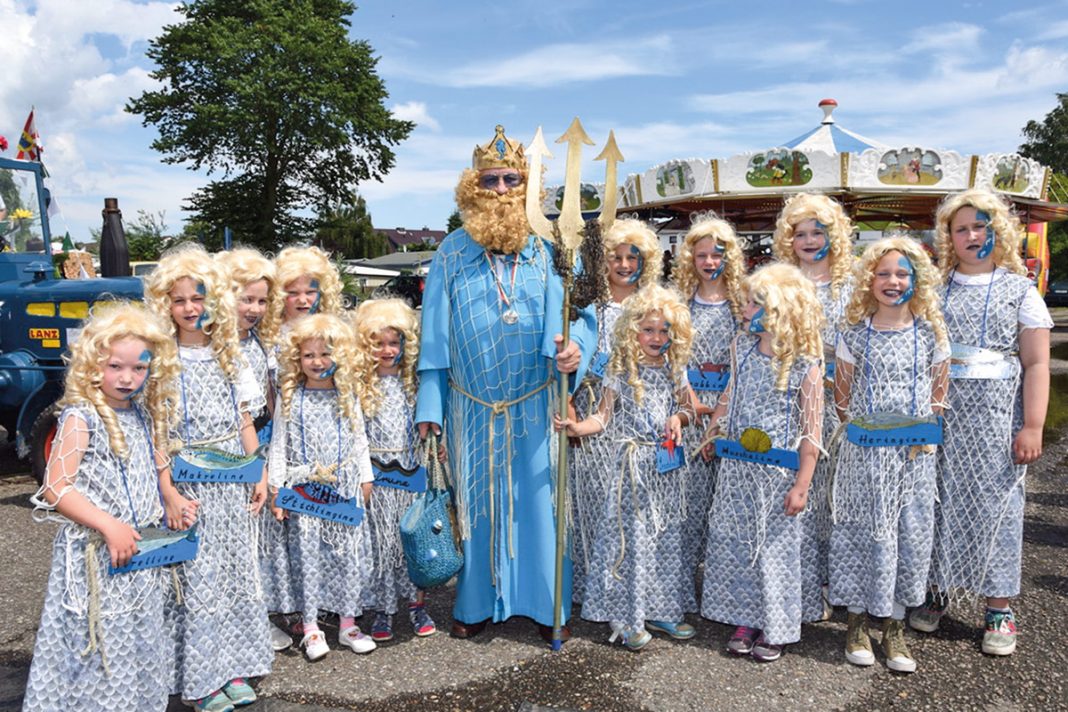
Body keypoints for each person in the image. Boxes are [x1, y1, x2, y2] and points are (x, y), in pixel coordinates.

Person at [415, 125, 595, 643]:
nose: (499, 189)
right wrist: (431, 400)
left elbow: (583, 315)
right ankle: (475, 603)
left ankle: (546, 603)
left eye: (510, 179)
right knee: (475, 506)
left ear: (527, 184)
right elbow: (433, 335)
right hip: (470, 406)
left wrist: (576, 346)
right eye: (489, 179)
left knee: (541, 505)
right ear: (474, 185)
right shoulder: (451, 250)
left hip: (538, 401)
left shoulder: (555, 247)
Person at [22, 304, 192, 712]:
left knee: (139, 640)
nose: (128, 378)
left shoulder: (142, 412)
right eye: (116, 366)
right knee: (101, 645)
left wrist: (170, 497)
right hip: (97, 555)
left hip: (139, 553)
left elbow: (154, 468)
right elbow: (56, 488)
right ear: (93, 363)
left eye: (139, 368)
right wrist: (108, 525)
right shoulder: (81, 417)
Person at [910, 189, 1052, 657]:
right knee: (938, 499)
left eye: (982, 227)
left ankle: (998, 606)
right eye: (962, 228)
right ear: (949, 236)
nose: (973, 236)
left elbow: (1035, 364)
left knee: (997, 506)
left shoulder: (1019, 290)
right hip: (942, 413)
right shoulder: (934, 287)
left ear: (999, 231)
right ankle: (937, 588)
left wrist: (1032, 425)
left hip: (995, 417)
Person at [146, 244, 272, 712]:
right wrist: (168, 491)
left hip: (231, 485)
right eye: (179, 300)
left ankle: (234, 666)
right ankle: (200, 680)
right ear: (166, 304)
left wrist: (257, 469)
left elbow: (244, 422)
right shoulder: (161, 359)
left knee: (236, 576)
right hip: (190, 485)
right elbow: (156, 430)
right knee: (196, 581)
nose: (190, 308)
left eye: (198, 298)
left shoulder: (228, 355)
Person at [829, 238, 949, 673]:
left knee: (908, 534)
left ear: (916, 279)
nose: (892, 282)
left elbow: (938, 395)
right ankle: (857, 621)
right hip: (864, 458)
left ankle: (894, 624)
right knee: (863, 532)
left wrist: (921, 435)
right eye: (883, 274)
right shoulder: (854, 334)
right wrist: (864, 433)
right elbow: (842, 398)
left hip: (913, 459)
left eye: (902, 274)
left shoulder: (931, 332)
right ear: (869, 280)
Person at [555, 284, 697, 650]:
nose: (657, 337)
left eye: (664, 330)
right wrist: (577, 427)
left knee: (665, 539)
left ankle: (660, 608)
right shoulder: (620, 369)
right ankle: (625, 617)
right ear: (632, 331)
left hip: (665, 469)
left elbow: (689, 408)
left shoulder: (675, 369)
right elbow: (602, 417)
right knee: (629, 543)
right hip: (631, 470)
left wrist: (679, 419)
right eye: (648, 329)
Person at [699, 263, 824, 663]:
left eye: (755, 302)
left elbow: (811, 432)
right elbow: (728, 396)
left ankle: (777, 623)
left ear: (780, 308)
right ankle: (745, 616)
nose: (745, 308)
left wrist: (802, 483)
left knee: (774, 551)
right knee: (740, 545)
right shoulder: (742, 348)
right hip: (738, 472)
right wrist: (714, 431)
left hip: (778, 476)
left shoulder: (807, 365)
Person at [269, 314, 377, 661]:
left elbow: (360, 437)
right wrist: (276, 488)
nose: (317, 362)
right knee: (308, 557)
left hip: (343, 486)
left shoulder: (346, 394)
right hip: (304, 492)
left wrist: (365, 476)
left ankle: (348, 623)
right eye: (309, 356)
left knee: (346, 555)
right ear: (296, 359)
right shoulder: (291, 396)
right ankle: (312, 627)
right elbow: (279, 444)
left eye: (326, 354)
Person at [771, 192, 856, 621]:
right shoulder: (780, 283)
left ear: (833, 235)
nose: (808, 240)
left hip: (841, 399)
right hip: (790, 402)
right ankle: (802, 583)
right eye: (799, 233)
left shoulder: (853, 283)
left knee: (834, 494)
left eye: (817, 232)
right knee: (800, 489)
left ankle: (837, 581)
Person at [569, 218, 662, 603]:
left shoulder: (653, 306)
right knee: (591, 499)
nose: (624, 265)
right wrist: (569, 398)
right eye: (616, 257)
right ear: (603, 262)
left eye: (632, 257)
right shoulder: (588, 306)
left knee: (634, 505)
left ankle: (631, 589)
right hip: (594, 406)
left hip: (637, 414)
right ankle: (593, 586)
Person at [217, 247, 294, 653]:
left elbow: (265, 397)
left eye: (262, 301)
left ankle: (259, 614)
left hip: (260, 442)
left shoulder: (256, 342)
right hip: (227, 454)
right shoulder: (216, 343)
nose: (255, 308)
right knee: (234, 540)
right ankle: (239, 620)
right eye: (245, 298)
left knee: (259, 539)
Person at [354, 299, 439, 641]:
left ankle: (417, 604)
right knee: (379, 544)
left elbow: (429, 421)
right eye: (379, 343)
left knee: (412, 540)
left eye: (394, 342)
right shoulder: (361, 386)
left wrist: (436, 444)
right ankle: (382, 608)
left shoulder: (413, 384)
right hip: (376, 476)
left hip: (410, 469)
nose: (387, 351)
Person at [672, 214, 745, 572]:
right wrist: (690, 400)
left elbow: (746, 361)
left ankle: (722, 575)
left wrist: (722, 415)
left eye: (717, 255)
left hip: (731, 407)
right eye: (702, 256)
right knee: (690, 494)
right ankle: (683, 574)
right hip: (690, 406)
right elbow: (673, 356)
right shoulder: (681, 303)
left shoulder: (740, 304)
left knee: (727, 497)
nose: (709, 263)